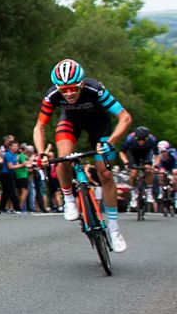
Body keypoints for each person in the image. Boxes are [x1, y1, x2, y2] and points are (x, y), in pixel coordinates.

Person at [31, 58, 132, 252]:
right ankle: (69, 199)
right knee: (64, 158)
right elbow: (40, 127)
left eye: (73, 88)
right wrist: (41, 152)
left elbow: (125, 118)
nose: (69, 93)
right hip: (70, 123)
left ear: (82, 84)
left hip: (99, 126)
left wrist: (110, 143)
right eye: (64, 89)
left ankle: (114, 228)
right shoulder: (52, 95)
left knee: (106, 174)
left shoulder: (95, 89)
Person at [121, 125, 158, 211]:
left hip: (146, 153)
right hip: (134, 154)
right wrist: (125, 161)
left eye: (144, 139)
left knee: (148, 169)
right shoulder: (129, 139)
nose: (141, 141)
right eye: (139, 139)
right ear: (135, 137)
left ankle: (149, 191)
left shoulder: (152, 140)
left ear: (147, 137)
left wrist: (155, 165)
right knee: (133, 173)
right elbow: (122, 152)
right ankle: (134, 193)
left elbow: (157, 154)